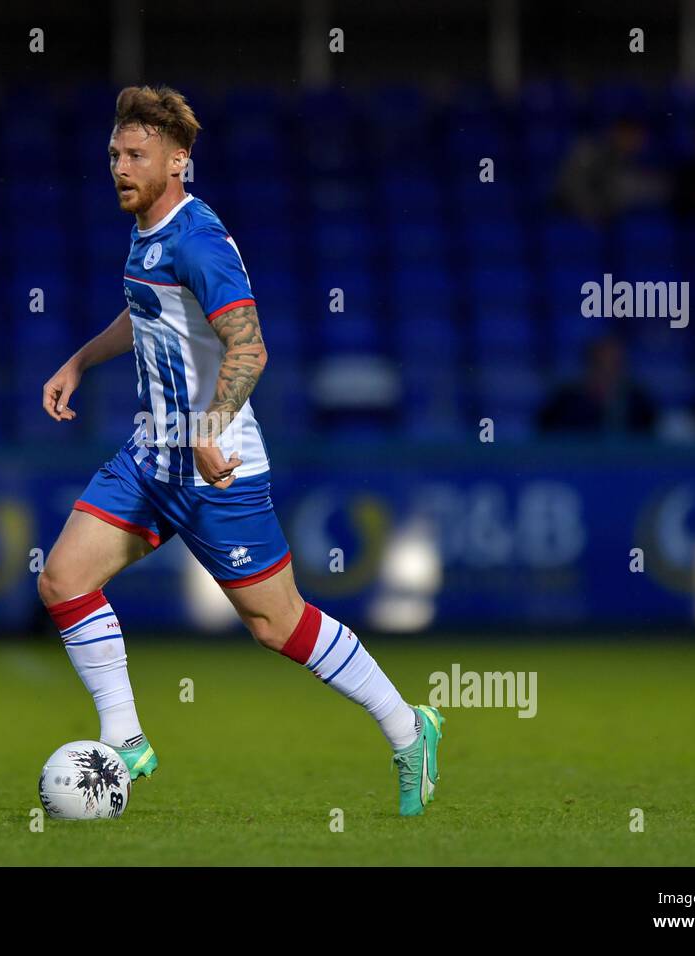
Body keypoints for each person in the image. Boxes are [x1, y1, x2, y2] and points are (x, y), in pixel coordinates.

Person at [37, 86, 443, 816]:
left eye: (136, 155)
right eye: (114, 155)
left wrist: (210, 425)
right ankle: (125, 738)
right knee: (64, 578)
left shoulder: (198, 239)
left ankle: (408, 728)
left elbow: (249, 347)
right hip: (150, 455)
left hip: (214, 467)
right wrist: (79, 360)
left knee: (276, 624)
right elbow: (149, 314)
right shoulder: (147, 230)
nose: (120, 168)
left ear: (178, 161)